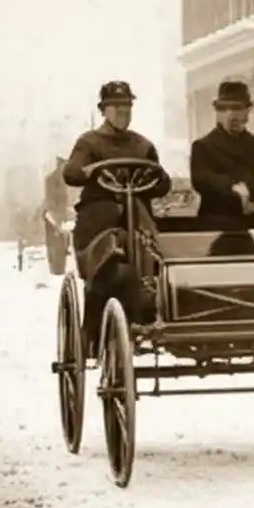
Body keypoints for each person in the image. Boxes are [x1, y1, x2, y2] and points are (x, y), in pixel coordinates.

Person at [62, 81, 171, 354]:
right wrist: (88, 171)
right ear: (103, 110)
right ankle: (95, 325)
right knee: (113, 246)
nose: (123, 112)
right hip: (100, 219)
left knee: (150, 242)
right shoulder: (89, 143)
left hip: (139, 216)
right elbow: (71, 173)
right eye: (116, 107)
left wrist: (156, 179)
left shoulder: (142, 145)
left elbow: (162, 182)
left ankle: (151, 299)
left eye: (127, 107)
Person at [189, 80, 254, 227]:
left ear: (247, 112)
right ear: (217, 112)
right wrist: (234, 186)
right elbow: (202, 180)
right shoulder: (203, 147)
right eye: (223, 108)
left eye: (237, 108)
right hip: (218, 227)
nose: (230, 115)